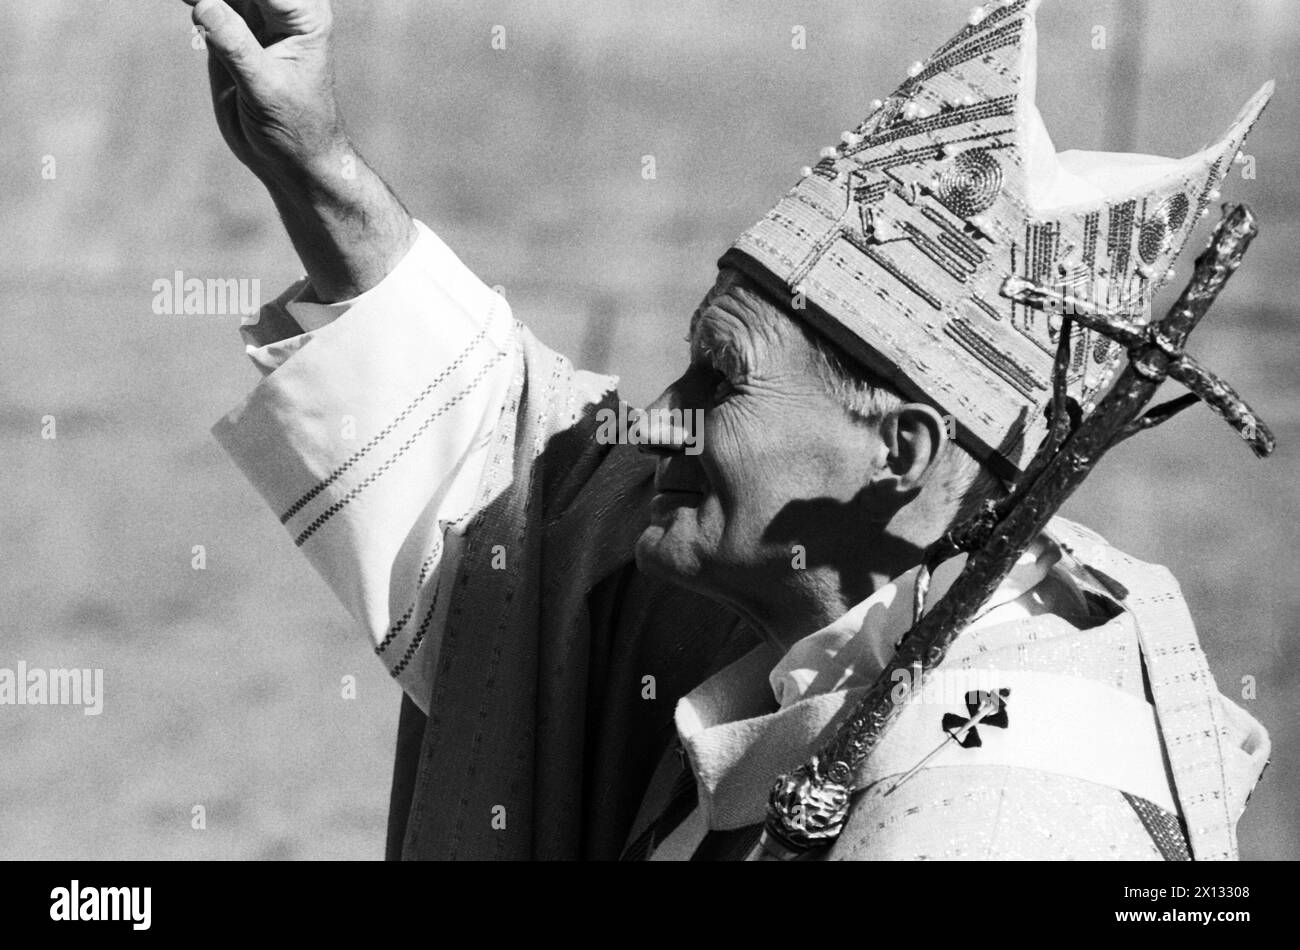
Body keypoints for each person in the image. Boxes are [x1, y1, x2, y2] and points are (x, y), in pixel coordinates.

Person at [189, 0, 1271, 860]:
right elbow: (532, 491)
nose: (657, 421)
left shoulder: (999, 813)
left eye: (720, 375)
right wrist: (318, 167)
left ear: (901, 451)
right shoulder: (831, 587)